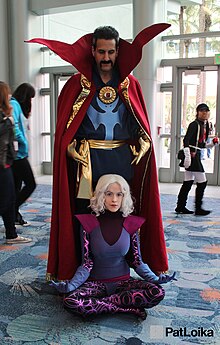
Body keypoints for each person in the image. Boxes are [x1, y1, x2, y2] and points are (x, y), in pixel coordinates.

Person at [28, 23, 171, 280]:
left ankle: (119, 266)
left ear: (118, 52)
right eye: (101, 52)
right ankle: (85, 267)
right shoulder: (76, 85)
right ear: (92, 51)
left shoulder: (130, 85)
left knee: (122, 208)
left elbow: (140, 124)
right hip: (88, 160)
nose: (106, 58)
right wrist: (70, 148)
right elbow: (66, 130)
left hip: (122, 158)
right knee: (88, 211)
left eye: (111, 52)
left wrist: (145, 142)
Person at [51, 174, 176, 319]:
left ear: (125, 197)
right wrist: (71, 286)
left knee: (157, 292)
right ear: (100, 195)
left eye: (119, 194)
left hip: (124, 284)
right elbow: (86, 264)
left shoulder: (131, 223)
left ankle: (102, 305)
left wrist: (154, 279)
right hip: (96, 284)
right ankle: (126, 309)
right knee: (71, 301)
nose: (114, 200)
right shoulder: (88, 223)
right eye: (108, 194)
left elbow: (137, 261)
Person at [0, 81, 32, 244]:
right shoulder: (5, 116)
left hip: (7, 161)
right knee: (8, 198)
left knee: (11, 195)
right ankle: (11, 231)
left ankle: (11, 233)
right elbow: (13, 135)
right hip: (5, 162)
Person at [175, 103, 219, 216]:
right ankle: (198, 208)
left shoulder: (207, 125)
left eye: (206, 111)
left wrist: (213, 144)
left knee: (188, 181)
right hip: (192, 155)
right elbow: (186, 140)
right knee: (202, 181)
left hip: (196, 154)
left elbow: (202, 145)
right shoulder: (194, 124)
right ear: (197, 112)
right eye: (202, 111)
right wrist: (188, 154)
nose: (204, 113)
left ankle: (180, 206)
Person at [10, 83, 36, 226]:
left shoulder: (16, 106)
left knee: (16, 188)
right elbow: (13, 127)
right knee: (30, 184)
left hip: (18, 153)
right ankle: (12, 209)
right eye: (30, 98)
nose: (31, 101)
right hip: (18, 155)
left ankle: (14, 215)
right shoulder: (14, 104)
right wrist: (23, 143)